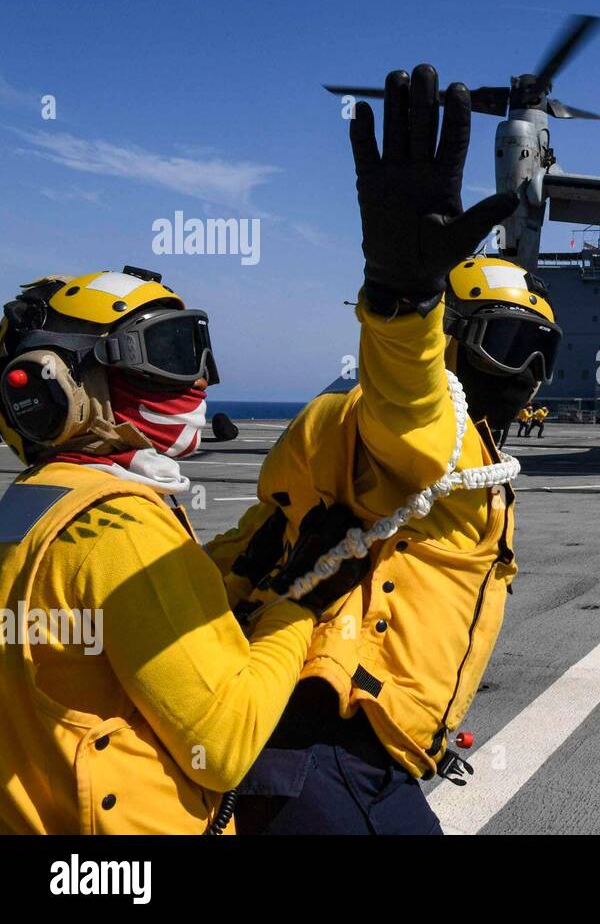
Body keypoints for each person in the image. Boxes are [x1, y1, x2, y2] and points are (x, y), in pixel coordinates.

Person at [207, 66, 561, 835]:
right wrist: (405, 303)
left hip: (269, 731)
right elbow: (416, 404)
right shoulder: (444, 440)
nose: (526, 375)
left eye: (543, 354)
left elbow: (243, 545)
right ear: (454, 340)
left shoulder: (337, 417)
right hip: (337, 759)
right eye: (506, 345)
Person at [0, 268, 362, 834]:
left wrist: (236, 581)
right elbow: (226, 744)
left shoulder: (34, 505)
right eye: (167, 352)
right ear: (57, 381)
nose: (200, 380)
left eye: (195, 348)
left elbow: (115, 641)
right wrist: (301, 605)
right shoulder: (121, 527)